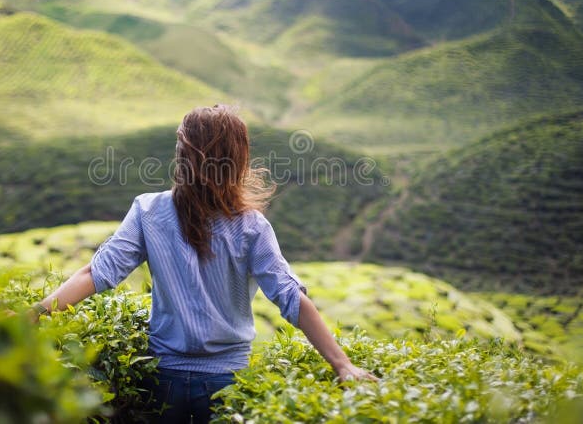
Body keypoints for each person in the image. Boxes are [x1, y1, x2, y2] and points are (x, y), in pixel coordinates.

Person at [33, 105, 374, 423]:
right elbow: (290, 298)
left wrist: (35, 313)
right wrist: (342, 364)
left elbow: (97, 273)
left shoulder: (148, 211)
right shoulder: (251, 226)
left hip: (163, 380)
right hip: (229, 382)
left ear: (183, 156)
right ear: (237, 160)